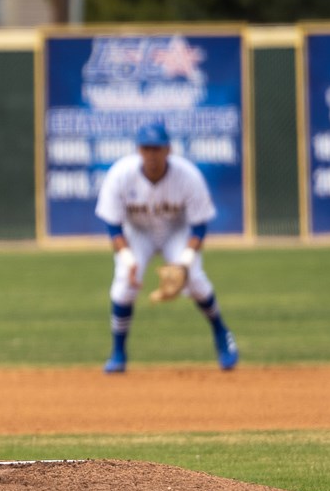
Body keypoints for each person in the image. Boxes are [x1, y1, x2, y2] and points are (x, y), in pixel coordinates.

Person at [96, 121, 238, 374]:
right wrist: (129, 260)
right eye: (147, 148)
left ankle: (221, 332)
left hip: (176, 230)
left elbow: (199, 226)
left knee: (194, 279)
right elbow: (113, 226)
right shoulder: (120, 175)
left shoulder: (188, 176)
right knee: (123, 285)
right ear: (138, 150)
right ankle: (118, 352)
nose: (152, 154)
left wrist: (184, 261)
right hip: (138, 232)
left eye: (157, 148)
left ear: (168, 150)